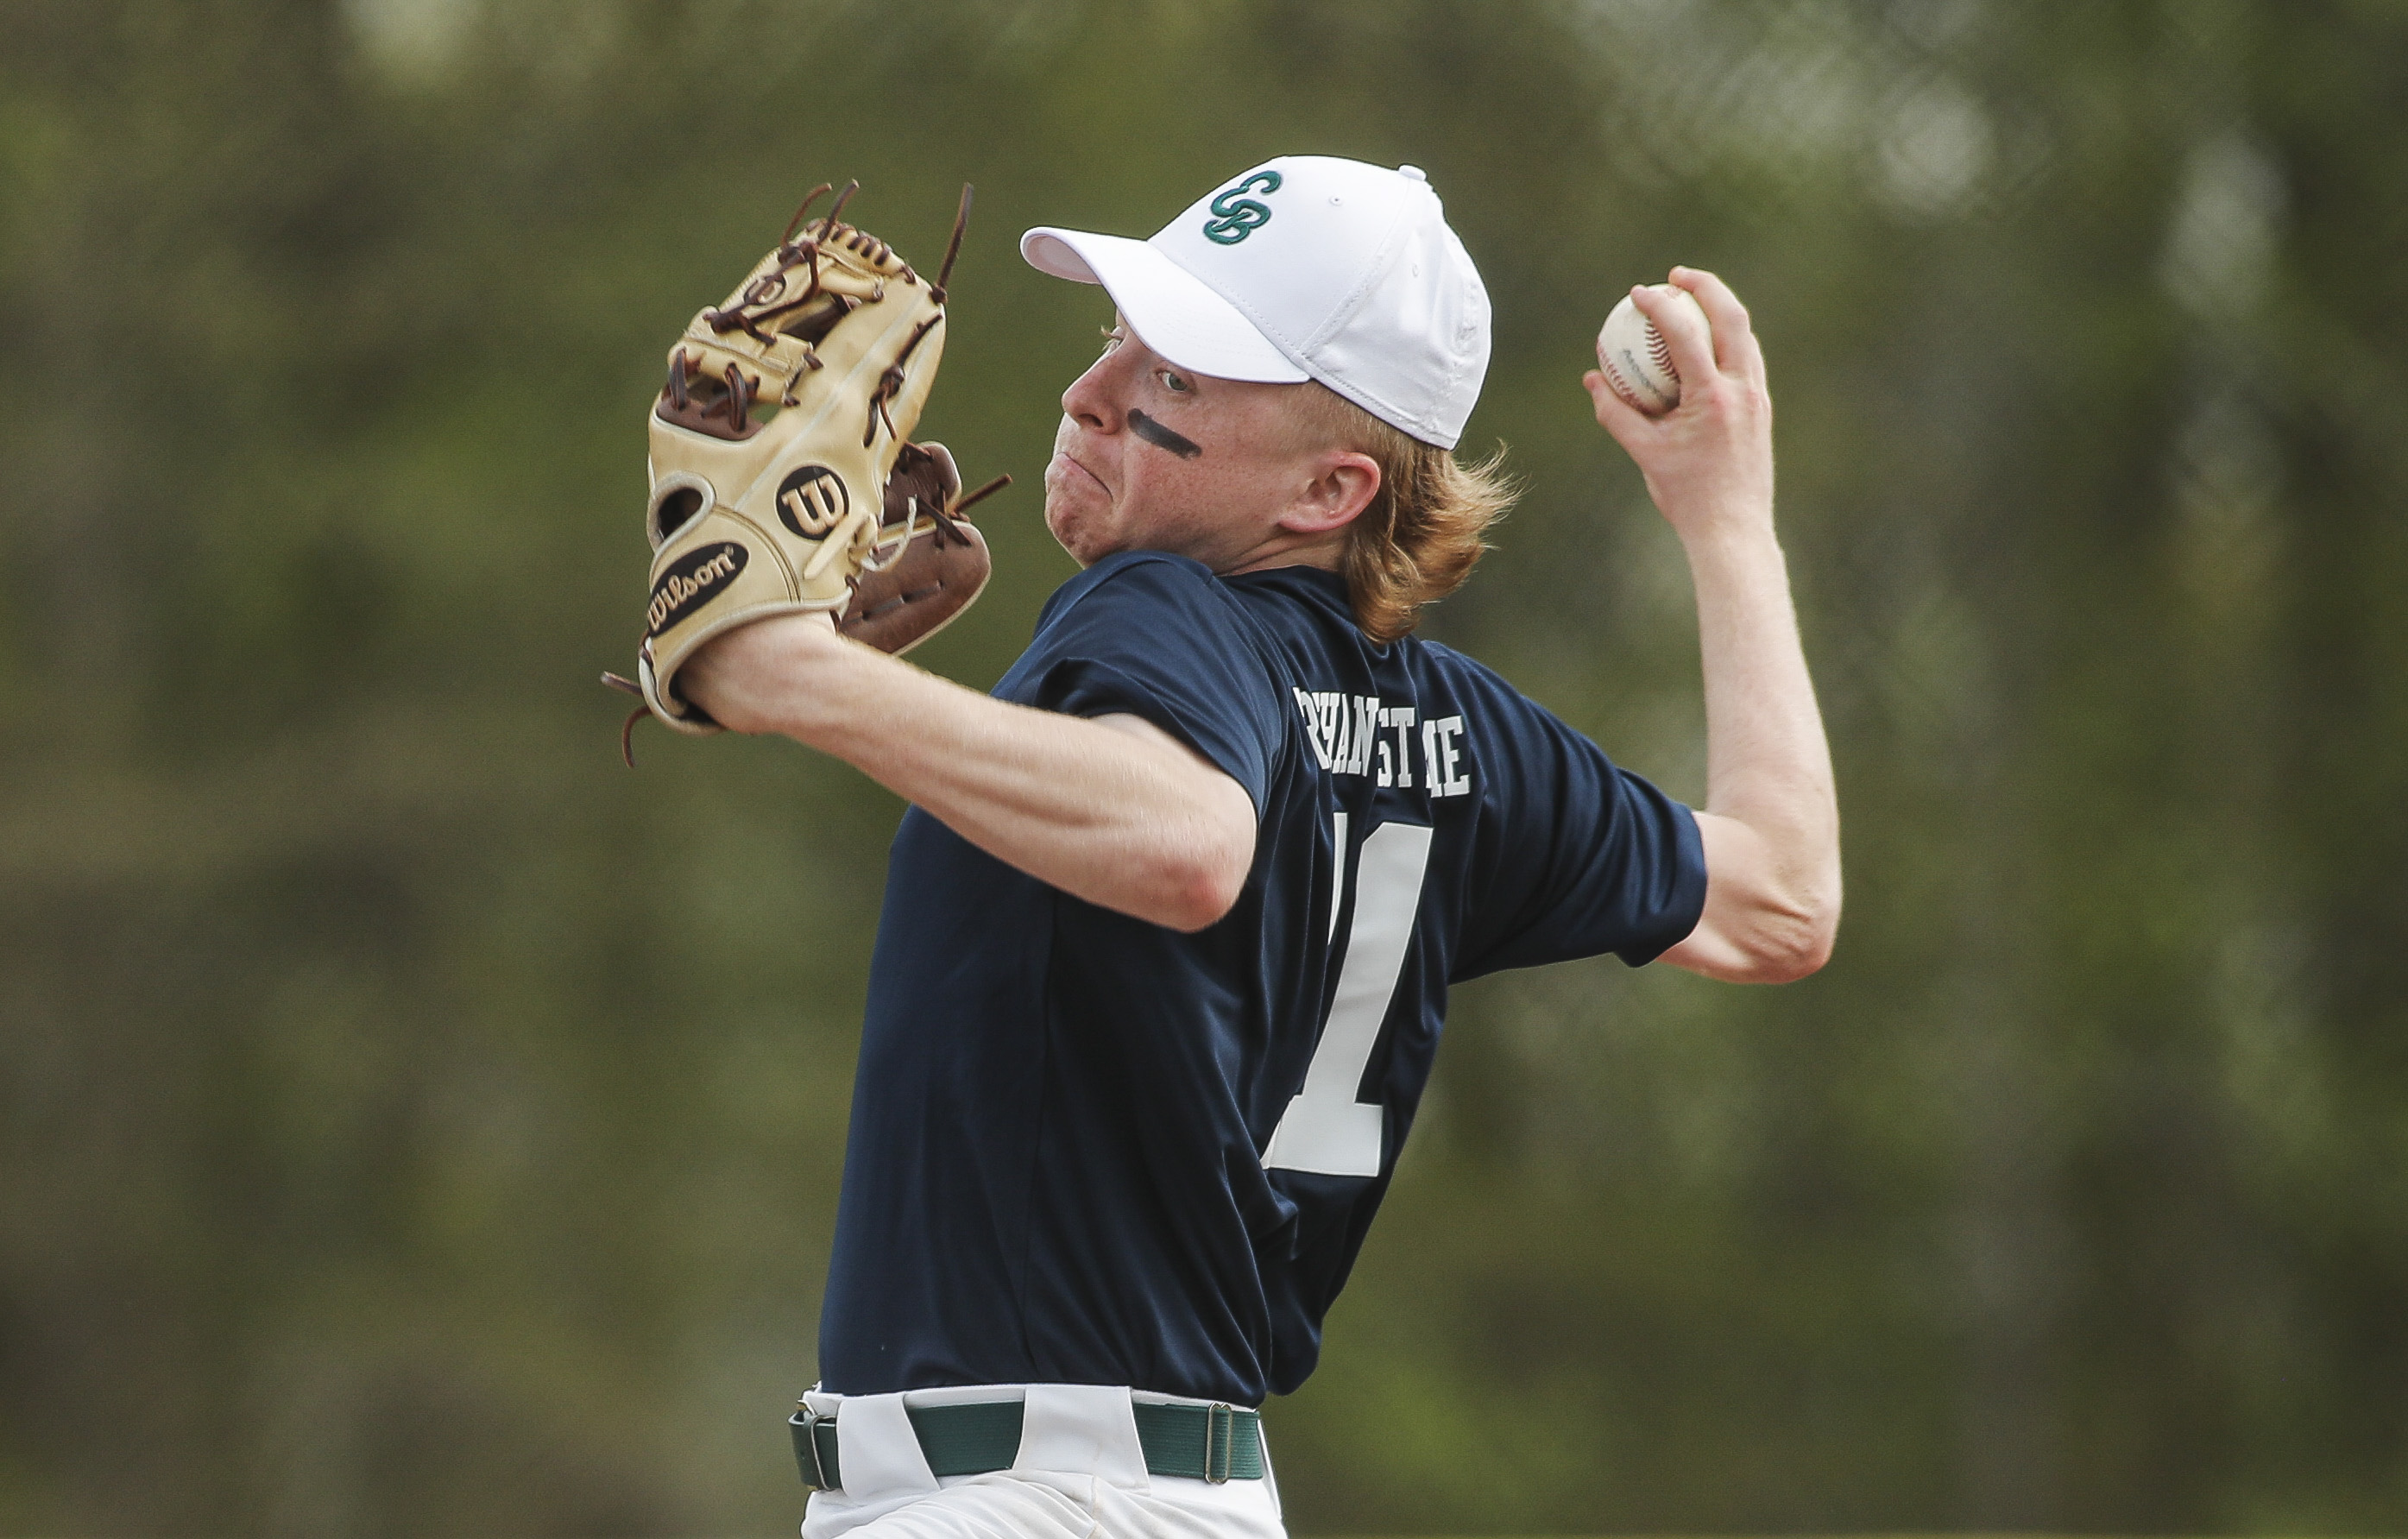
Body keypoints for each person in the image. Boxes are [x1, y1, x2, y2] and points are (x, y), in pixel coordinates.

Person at [679, 155, 1840, 1539]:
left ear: (1327, 489)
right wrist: (1725, 519)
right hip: (1196, 1498)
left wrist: (787, 673)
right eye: (1117, 337)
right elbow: (1780, 898)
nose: (1091, 392)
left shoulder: (1157, 607)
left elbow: (1186, 843)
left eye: (1175, 378)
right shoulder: (1458, 735)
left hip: (1010, 1499)